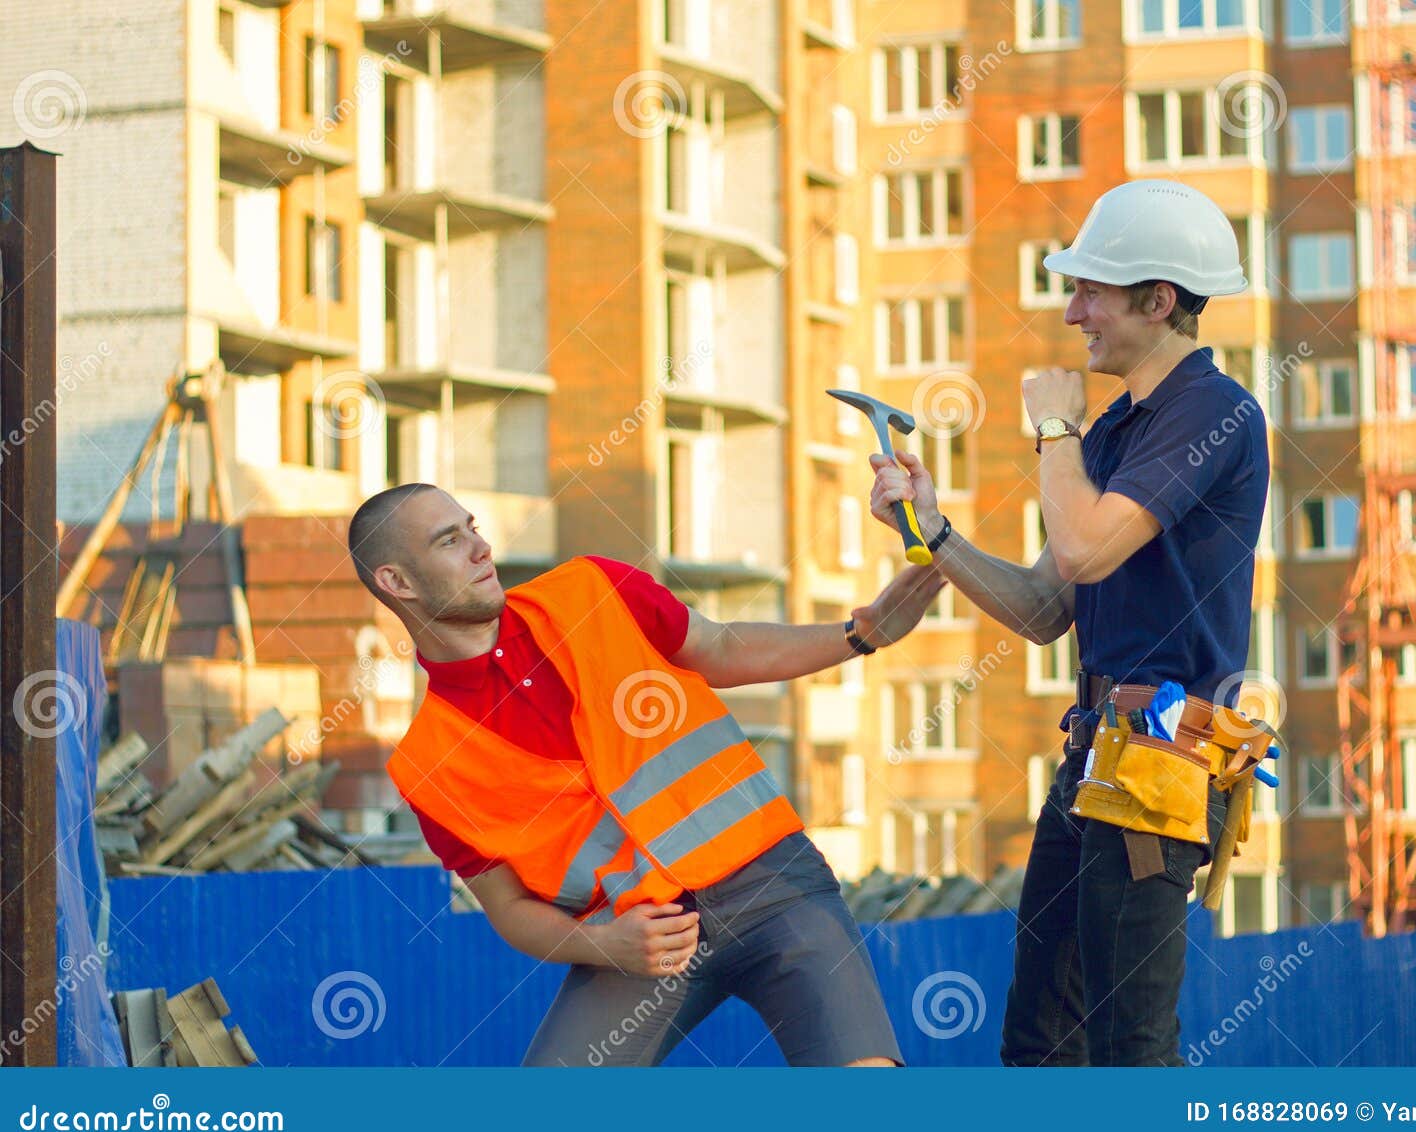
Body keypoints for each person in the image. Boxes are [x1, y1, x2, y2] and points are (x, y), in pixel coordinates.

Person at [868, 179, 1270, 1066]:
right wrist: (934, 531)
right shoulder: (1116, 429)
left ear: (1158, 300)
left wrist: (1054, 426)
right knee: (1040, 1042)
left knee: (1132, 1050)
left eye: (1091, 290)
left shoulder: (1214, 411)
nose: (1071, 312)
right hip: (1095, 758)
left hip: (1157, 762)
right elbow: (1046, 607)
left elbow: (1084, 550)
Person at [347, 482, 946, 1066]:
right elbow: (508, 909)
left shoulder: (590, 590)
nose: (482, 548)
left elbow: (723, 648)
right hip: (638, 942)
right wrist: (604, 946)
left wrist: (861, 634)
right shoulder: (427, 767)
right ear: (397, 582)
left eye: (473, 528)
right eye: (450, 540)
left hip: (774, 887)